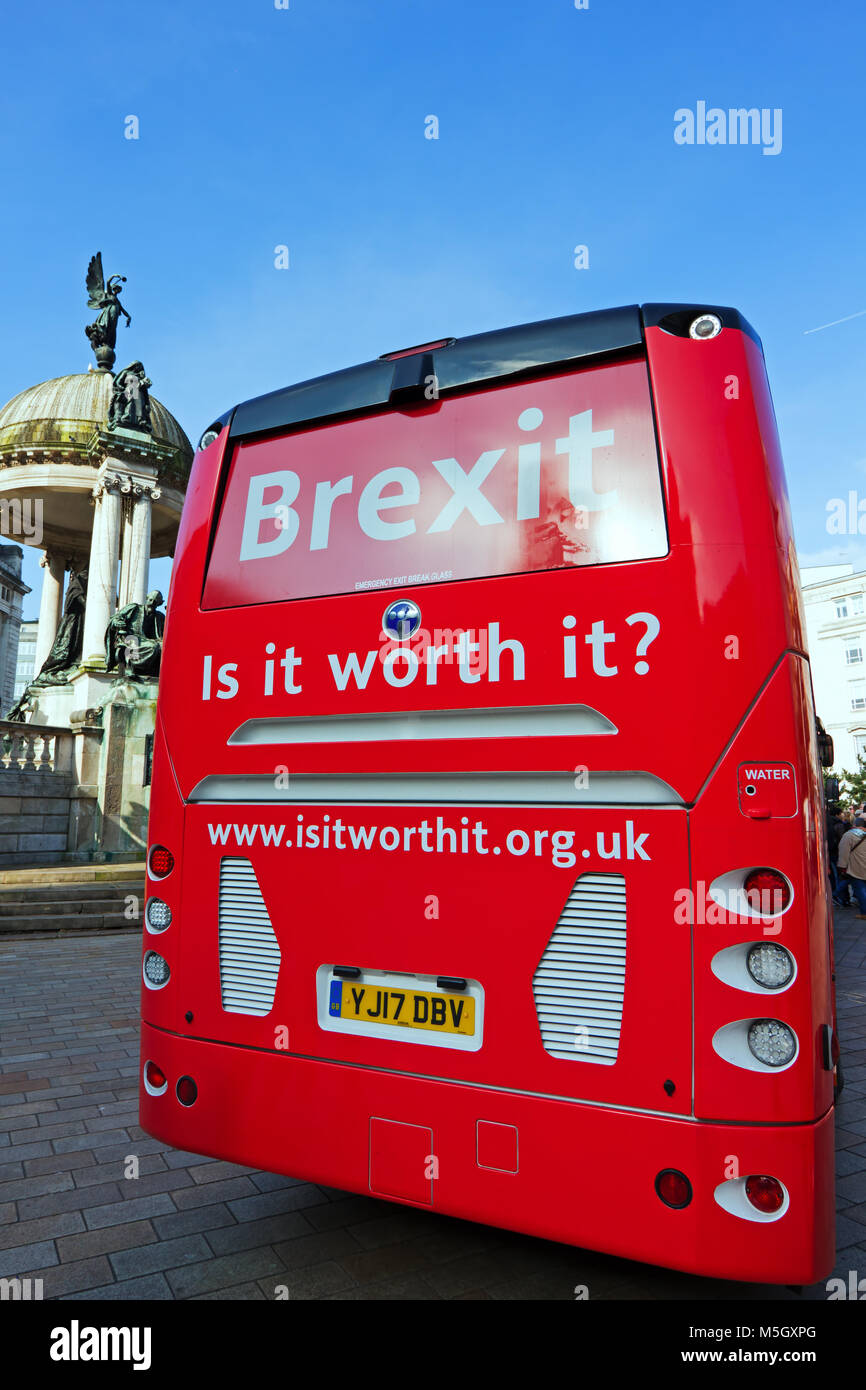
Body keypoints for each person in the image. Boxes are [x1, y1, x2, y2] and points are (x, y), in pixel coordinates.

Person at [837, 816, 866, 916]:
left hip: (856, 867)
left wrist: (842, 866)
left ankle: (864, 912)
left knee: (860, 889)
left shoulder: (849, 835)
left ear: (855, 825)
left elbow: (843, 853)